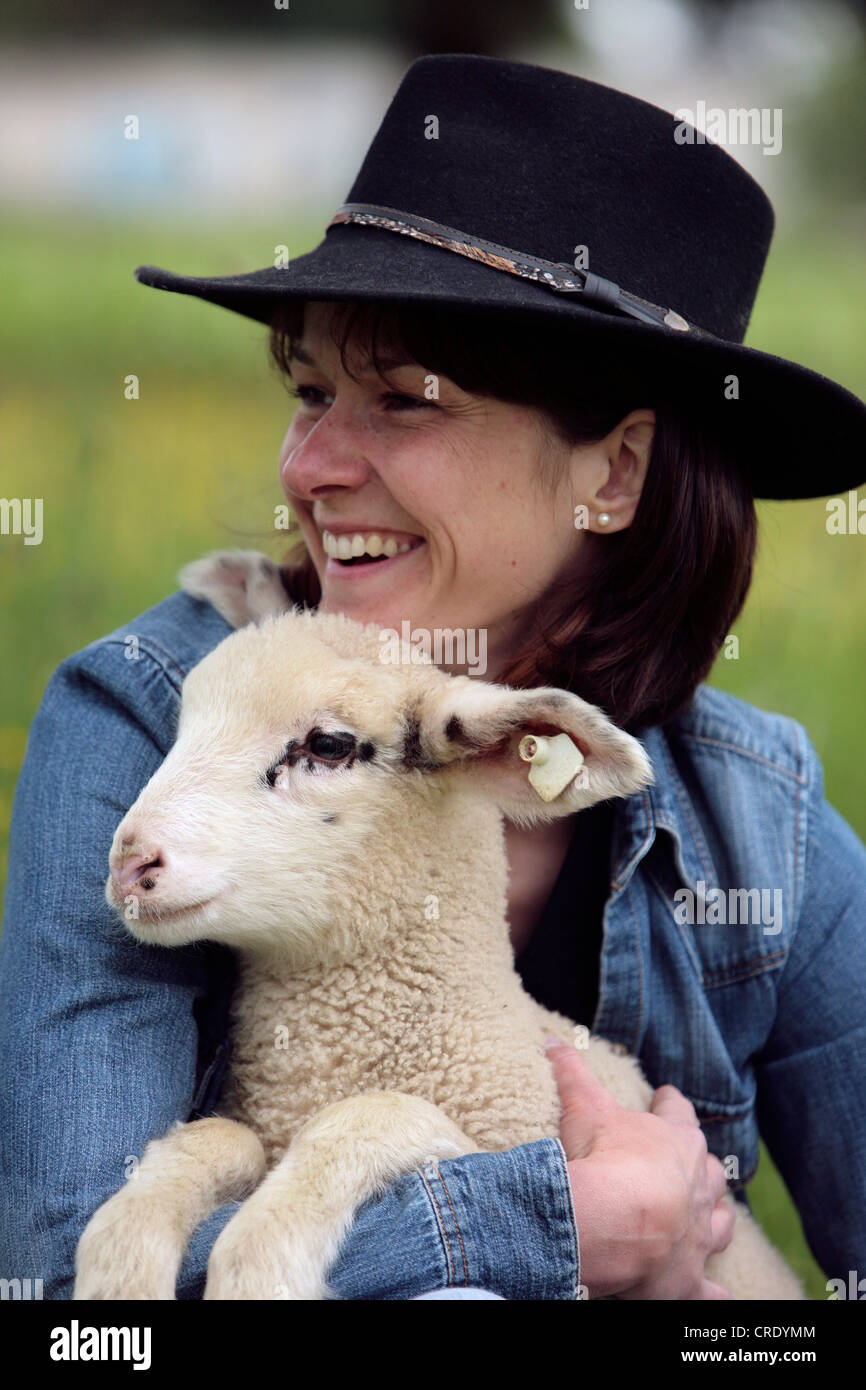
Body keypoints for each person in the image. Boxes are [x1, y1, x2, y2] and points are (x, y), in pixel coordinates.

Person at [2, 53, 865, 1302]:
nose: (311, 465)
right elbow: (67, 1308)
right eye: (309, 389)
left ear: (612, 475)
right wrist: (563, 1221)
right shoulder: (139, 723)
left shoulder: (758, 820)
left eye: (405, 399)